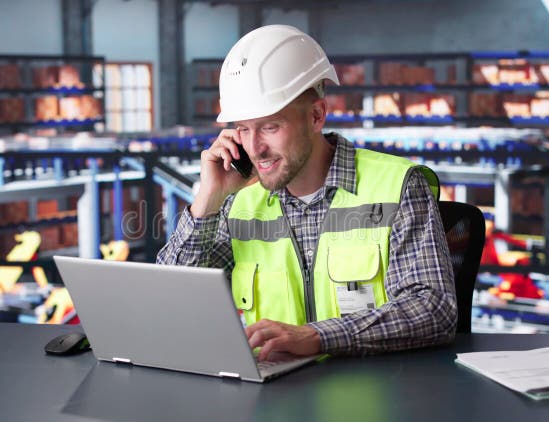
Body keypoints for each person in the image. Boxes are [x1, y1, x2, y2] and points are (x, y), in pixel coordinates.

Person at [157, 25, 456, 360]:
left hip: (373, 398)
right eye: (243, 129)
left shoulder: (397, 186)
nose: (255, 148)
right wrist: (207, 203)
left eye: (270, 127)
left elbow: (433, 309)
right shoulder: (239, 203)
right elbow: (169, 302)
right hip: (273, 402)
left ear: (316, 116)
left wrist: (317, 336)